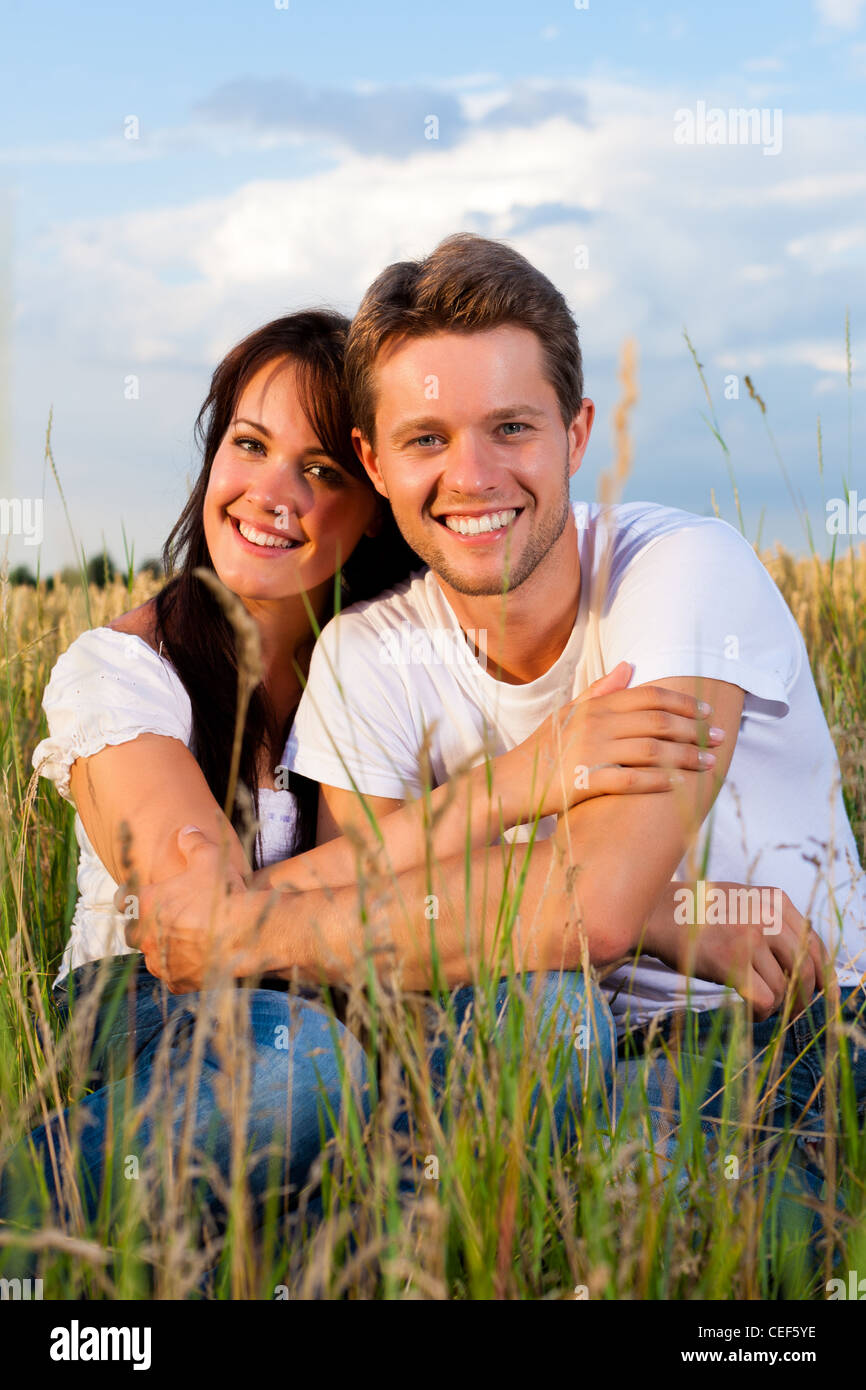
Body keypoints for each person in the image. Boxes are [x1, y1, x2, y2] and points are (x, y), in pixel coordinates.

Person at [129, 234, 866, 1223]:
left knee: (705, 1221)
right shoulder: (367, 652)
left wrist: (235, 926)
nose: (472, 476)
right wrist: (655, 908)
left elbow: (588, 904)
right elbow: (369, 947)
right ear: (374, 460)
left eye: (510, 428)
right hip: (531, 1033)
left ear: (576, 431)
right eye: (427, 438)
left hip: (777, 1028)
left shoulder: (682, 571)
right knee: (534, 1029)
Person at [4, 307, 711, 1252]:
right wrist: (520, 781)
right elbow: (201, 924)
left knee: (552, 1014)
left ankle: (368, 1257)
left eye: (322, 470)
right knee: (302, 1064)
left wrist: (658, 912)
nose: (271, 492)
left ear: (376, 491)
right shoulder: (125, 670)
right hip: (146, 1007)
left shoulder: (391, 662)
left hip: (350, 996)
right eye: (248, 446)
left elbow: (425, 907)